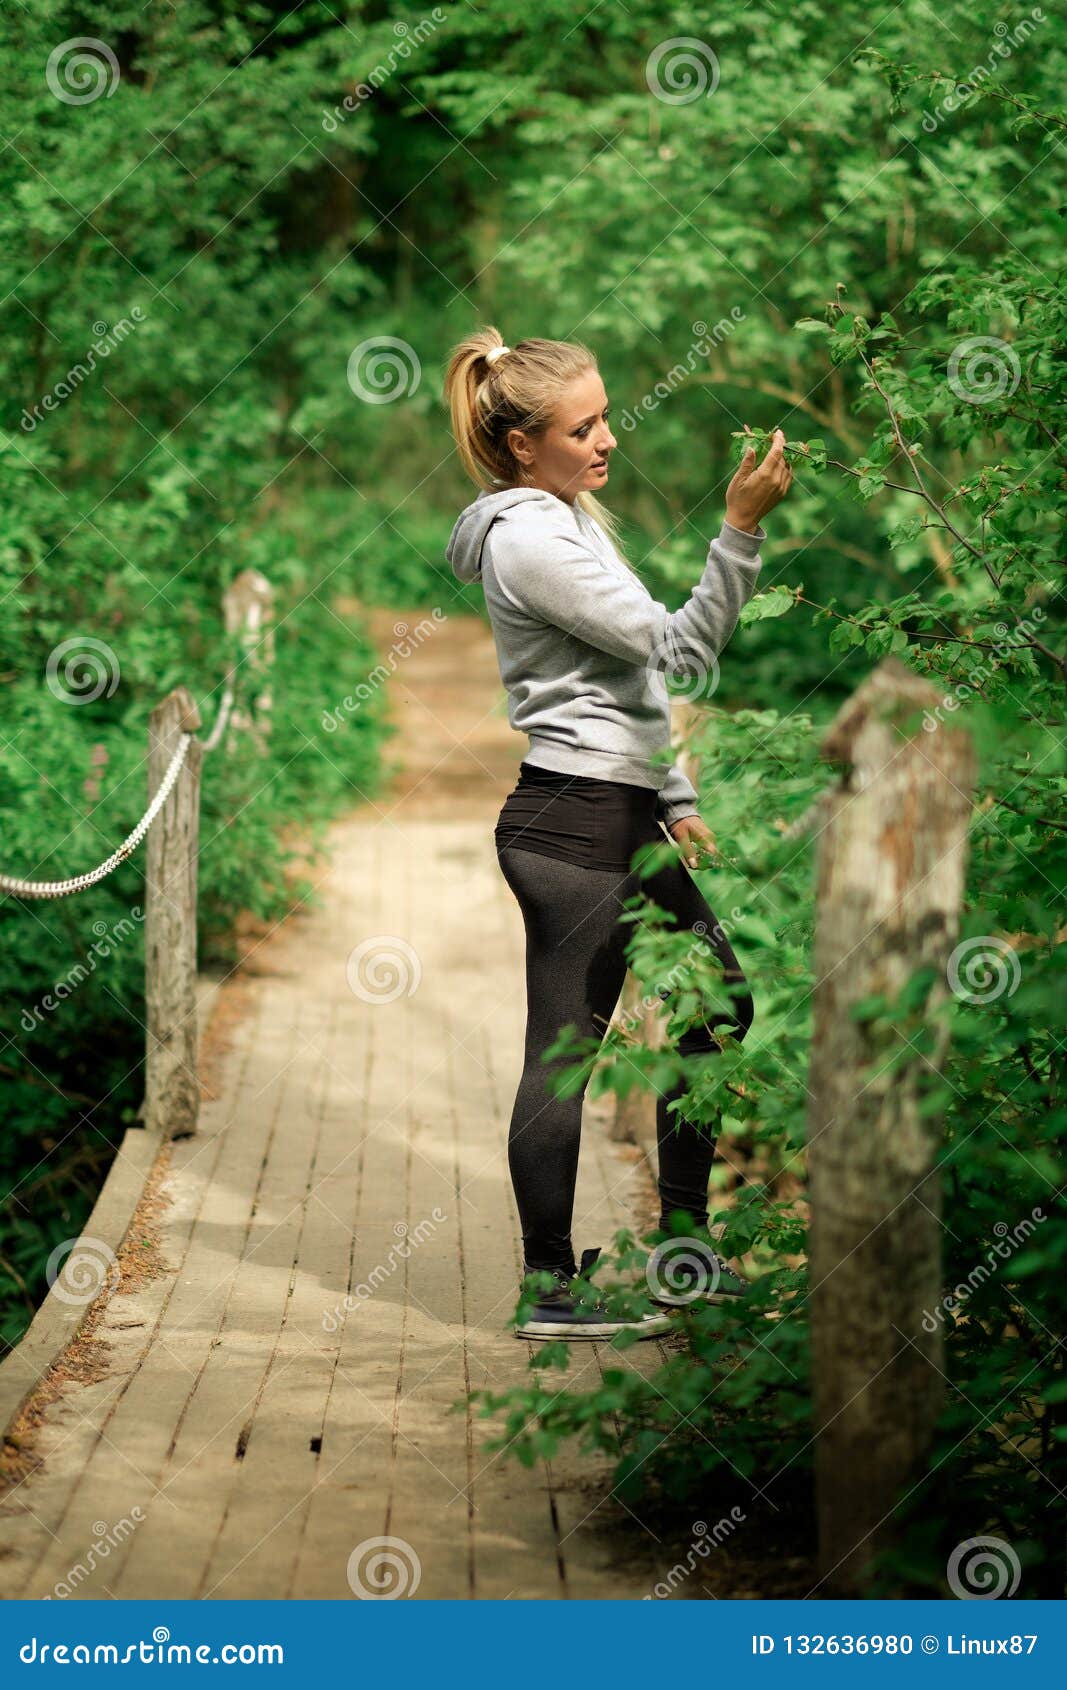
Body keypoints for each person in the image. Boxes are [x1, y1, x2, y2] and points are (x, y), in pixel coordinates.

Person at [443, 329, 793, 1340]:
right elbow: (681, 649)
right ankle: (550, 1288)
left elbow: (623, 684)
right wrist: (738, 530)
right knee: (562, 1058)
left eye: (603, 418)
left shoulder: (565, 519)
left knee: (718, 1000)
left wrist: (672, 790)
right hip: (572, 830)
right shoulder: (528, 541)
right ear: (519, 446)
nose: (605, 440)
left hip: (618, 814)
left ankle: (680, 1255)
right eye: (580, 427)